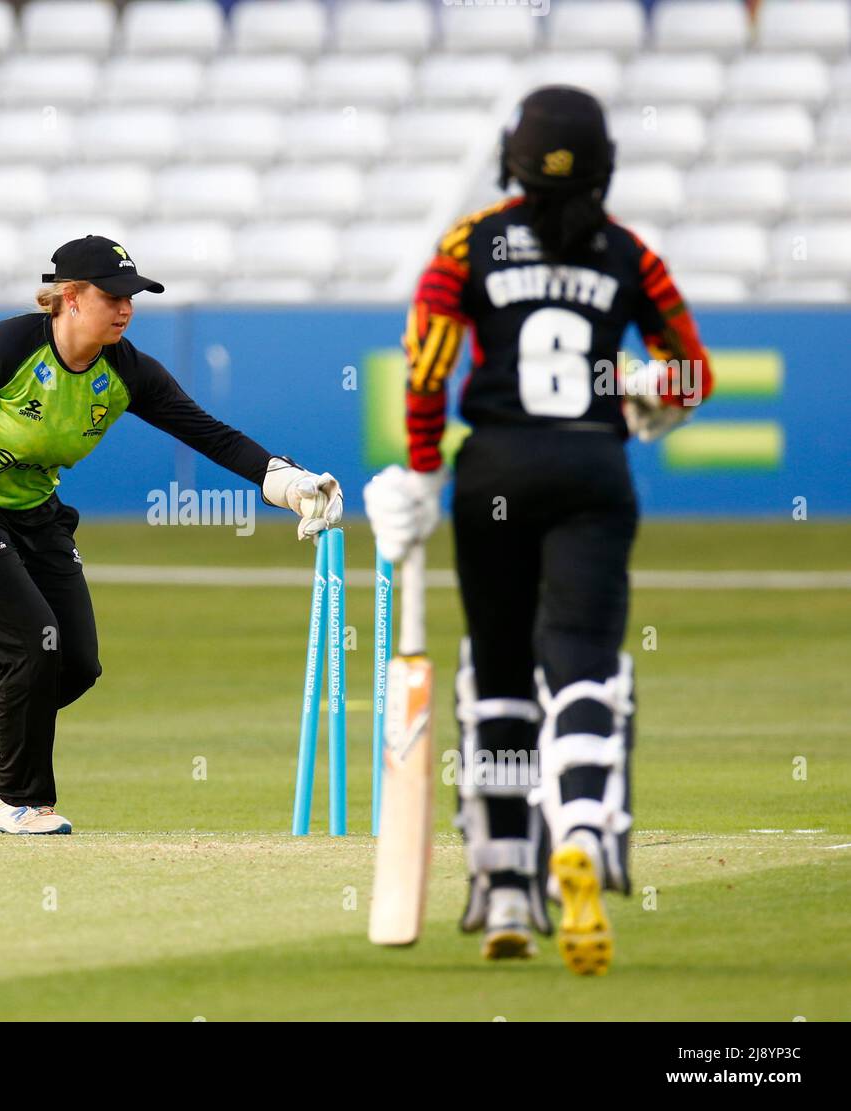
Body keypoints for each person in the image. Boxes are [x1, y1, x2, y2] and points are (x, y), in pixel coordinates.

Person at [365, 87, 713, 975]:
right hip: (593, 470)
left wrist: (425, 468)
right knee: (586, 658)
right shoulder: (630, 252)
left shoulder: (466, 243)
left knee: (503, 667)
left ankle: (509, 881)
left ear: (511, 160)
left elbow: (428, 361)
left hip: (497, 473)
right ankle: (587, 830)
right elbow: (693, 373)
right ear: (605, 164)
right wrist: (645, 395)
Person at [0, 235, 344, 834]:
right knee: (32, 644)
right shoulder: (8, 345)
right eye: (113, 295)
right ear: (69, 297)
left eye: (134, 296)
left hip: (36, 511)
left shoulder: (126, 372)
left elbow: (209, 433)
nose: (126, 307)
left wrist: (285, 481)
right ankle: (19, 801)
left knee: (74, 663)